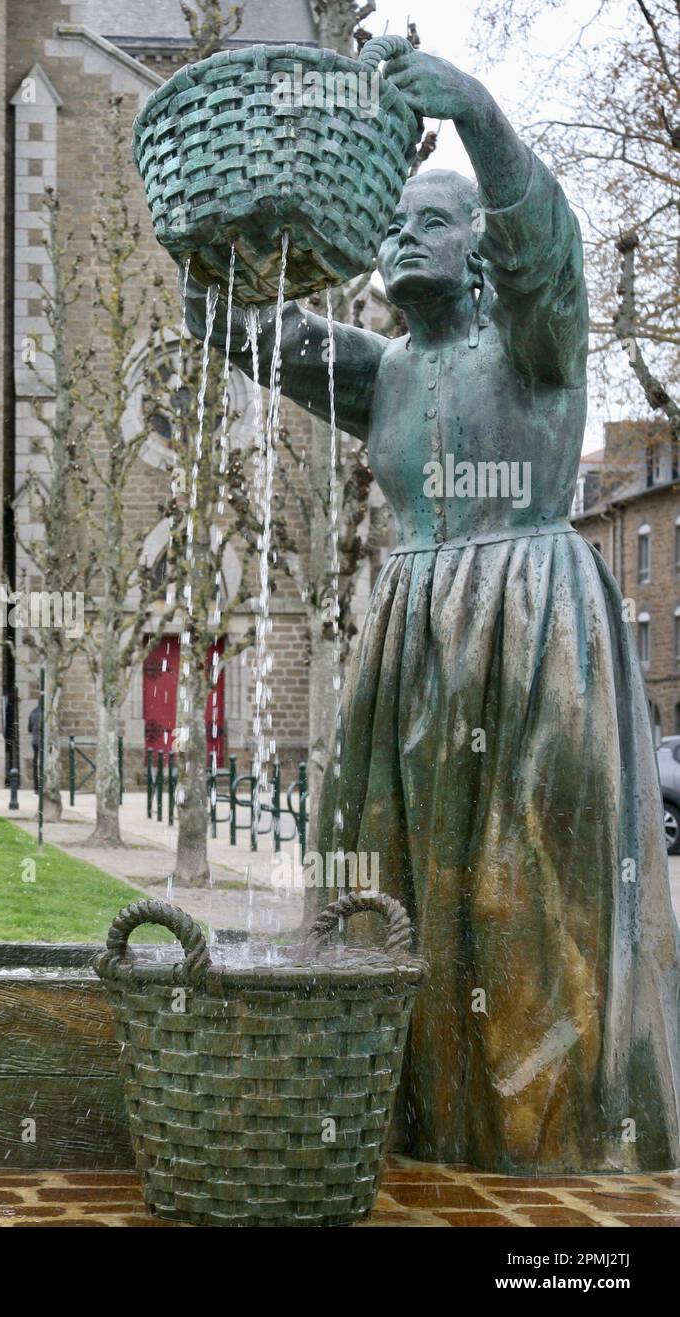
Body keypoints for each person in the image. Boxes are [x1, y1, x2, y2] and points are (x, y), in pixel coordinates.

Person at [186, 48, 680, 1172]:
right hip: (407, 636)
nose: (401, 240)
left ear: (478, 251)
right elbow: (248, 335)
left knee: (527, 902)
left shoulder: (538, 346)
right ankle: (402, 1111)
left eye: (430, 222)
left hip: (530, 633)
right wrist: (210, 255)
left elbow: (546, 247)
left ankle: (546, 1135)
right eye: (394, 223)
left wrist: (482, 117)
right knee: (376, 877)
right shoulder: (389, 371)